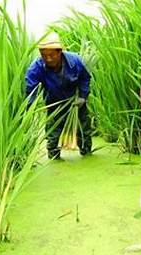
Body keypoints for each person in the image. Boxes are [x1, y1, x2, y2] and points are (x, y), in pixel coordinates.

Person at [25, 32, 92, 160]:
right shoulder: (36, 68)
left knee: (83, 128)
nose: (48, 59)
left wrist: (83, 96)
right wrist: (30, 108)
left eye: (51, 55)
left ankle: (86, 152)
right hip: (54, 102)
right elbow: (31, 89)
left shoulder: (75, 61)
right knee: (53, 132)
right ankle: (54, 156)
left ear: (60, 52)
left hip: (75, 101)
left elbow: (85, 78)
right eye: (44, 56)